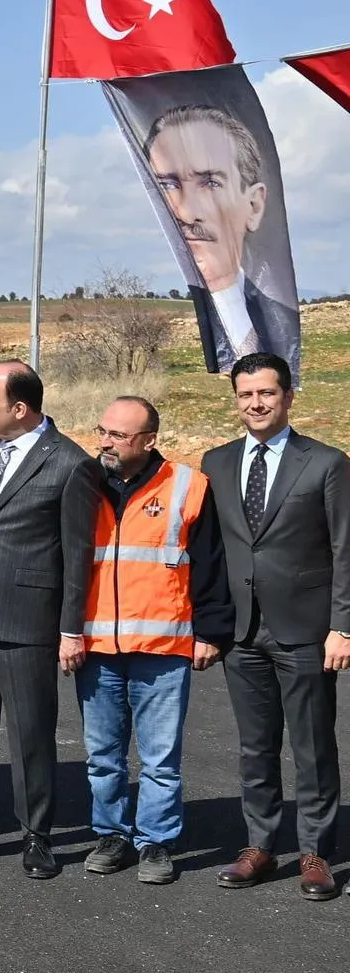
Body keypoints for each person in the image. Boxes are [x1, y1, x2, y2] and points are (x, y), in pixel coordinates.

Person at [0, 361, 99, 879]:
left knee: (30, 732)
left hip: (27, 616)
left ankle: (38, 834)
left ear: (20, 408)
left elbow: (78, 555)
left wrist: (71, 628)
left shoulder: (71, 463)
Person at [201, 352, 350, 899]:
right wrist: (210, 626)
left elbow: (344, 549)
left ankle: (315, 852)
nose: (256, 403)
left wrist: (344, 626)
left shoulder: (326, 463)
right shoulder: (215, 462)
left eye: (266, 393)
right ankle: (260, 846)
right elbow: (212, 552)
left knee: (313, 746)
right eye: (245, 394)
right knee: (255, 747)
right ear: (235, 399)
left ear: (288, 396)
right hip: (243, 633)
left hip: (307, 631)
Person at [79, 396, 234, 885]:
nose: (105, 441)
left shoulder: (188, 486)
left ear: (148, 441)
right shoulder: (82, 484)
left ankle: (156, 842)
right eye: (103, 430)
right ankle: (111, 834)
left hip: (164, 648)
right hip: (97, 646)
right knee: (103, 754)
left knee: (160, 757)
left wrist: (211, 632)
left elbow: (211, 565)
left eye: (118, 435)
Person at [144, 104, 301, 373]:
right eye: (168, 185)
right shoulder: (152, 327)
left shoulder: (279, 322)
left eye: (210, 183)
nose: (186, 212)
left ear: (253, 205)